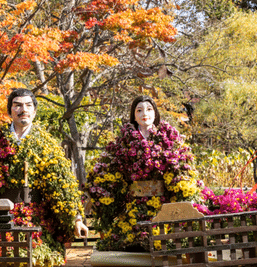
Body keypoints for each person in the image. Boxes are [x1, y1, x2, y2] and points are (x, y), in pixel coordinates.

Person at [0, 88, 87, 267]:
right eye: (18, 105)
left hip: (36, 218)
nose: (23, 110)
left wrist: (76, 219)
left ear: (34, 111)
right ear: (10, 111)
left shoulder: (46, 144)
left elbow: (63, 187)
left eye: (28, 105)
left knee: (36, 256)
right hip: (0, 216)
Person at [85, 96, 202, 252]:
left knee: (164, 237)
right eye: (139, 110)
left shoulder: (168, 136)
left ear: (155, 113)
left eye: (149, 109)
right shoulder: (125, 139)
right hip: (134, 202)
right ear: (134, 115)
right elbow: (109, 164)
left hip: (162, 202)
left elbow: (182, 164)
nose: (144, 114)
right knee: (130, 239)